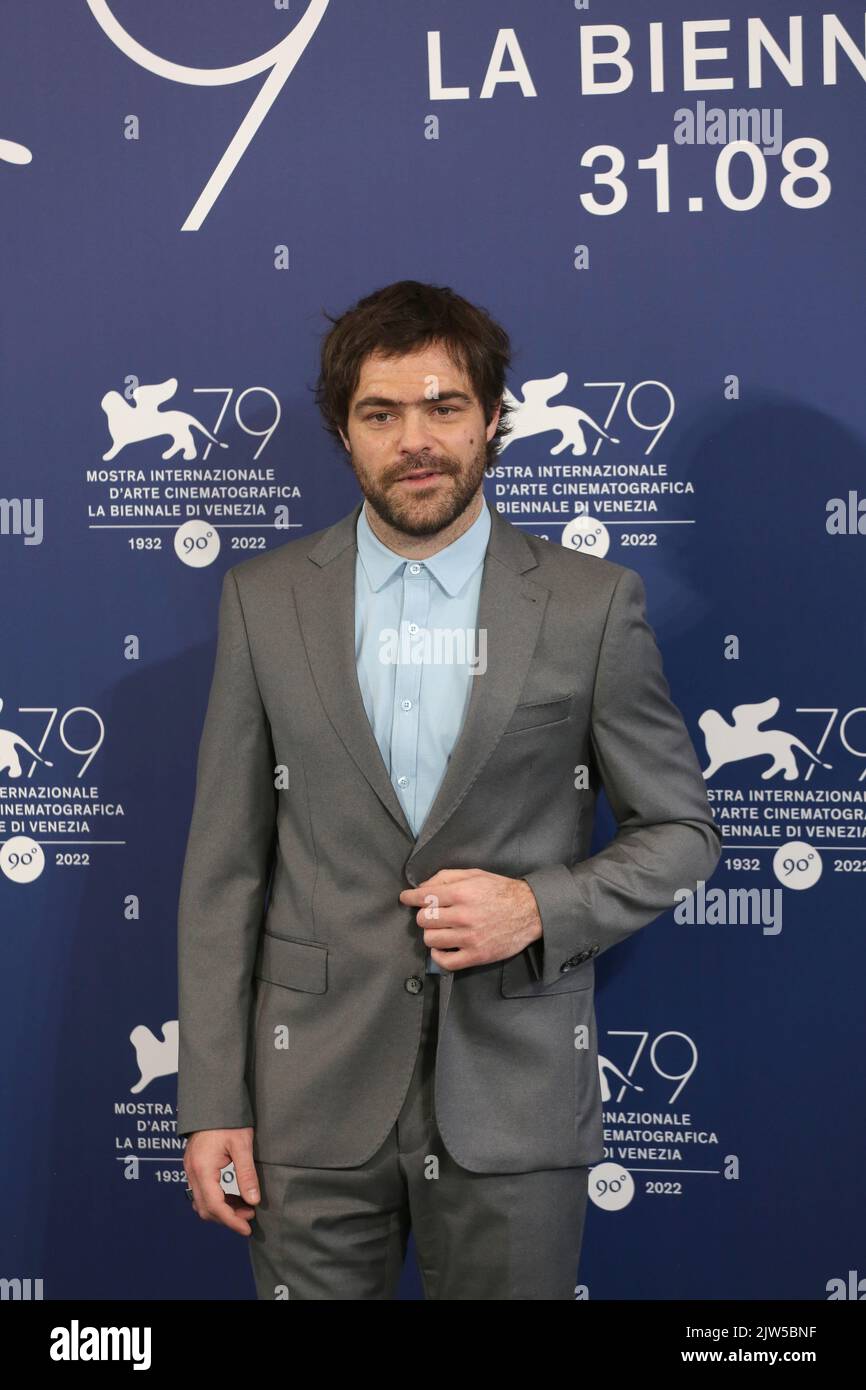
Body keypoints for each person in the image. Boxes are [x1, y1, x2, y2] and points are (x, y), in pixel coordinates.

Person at [176, 279, 722, 1300]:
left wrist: (537, 905)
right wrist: (211, 1100)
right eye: (380, 413)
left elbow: (681, 829)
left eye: (443, 406)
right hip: (309, 1108)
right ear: (343, 431)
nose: (414, 439)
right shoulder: (263, 601)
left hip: (512, 1098)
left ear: (491, 420)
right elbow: (223, 871)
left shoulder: (588, 606)